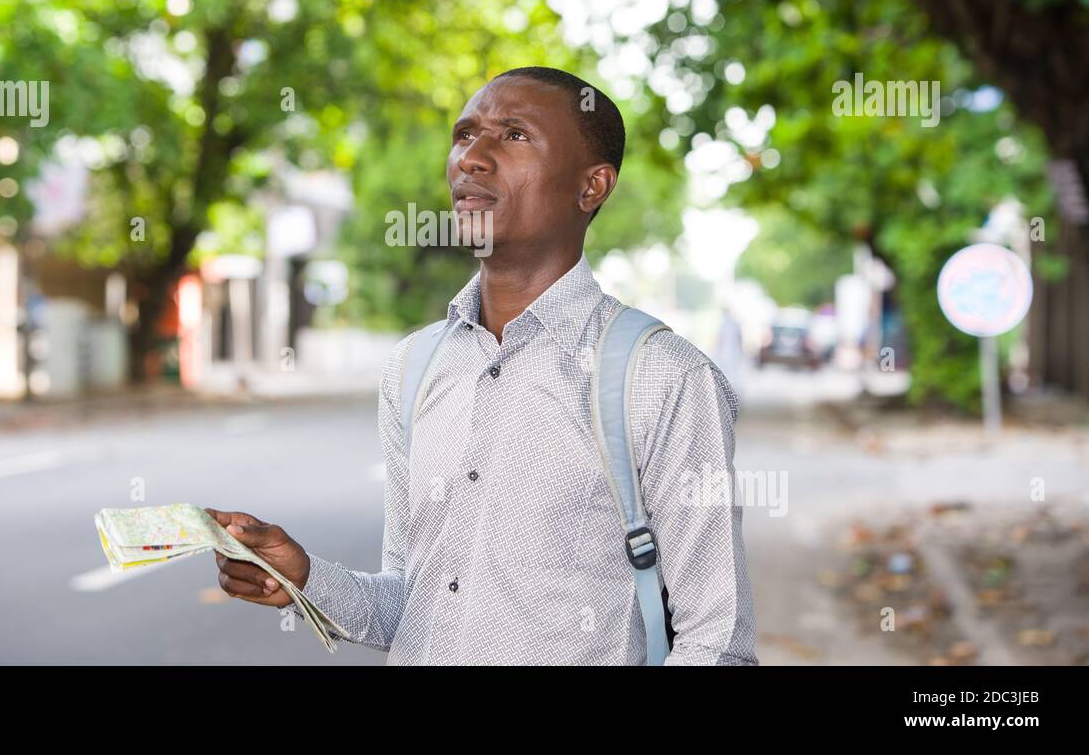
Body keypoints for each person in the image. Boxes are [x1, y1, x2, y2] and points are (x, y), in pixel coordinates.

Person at [208, 67, 757, 664]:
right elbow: (409, 607)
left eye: (514, 136)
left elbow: (717, 642)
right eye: (465, 134)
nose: (471, 157)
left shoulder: (663, 377)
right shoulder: (415, 368)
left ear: (592, 186)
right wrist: (305, 577)